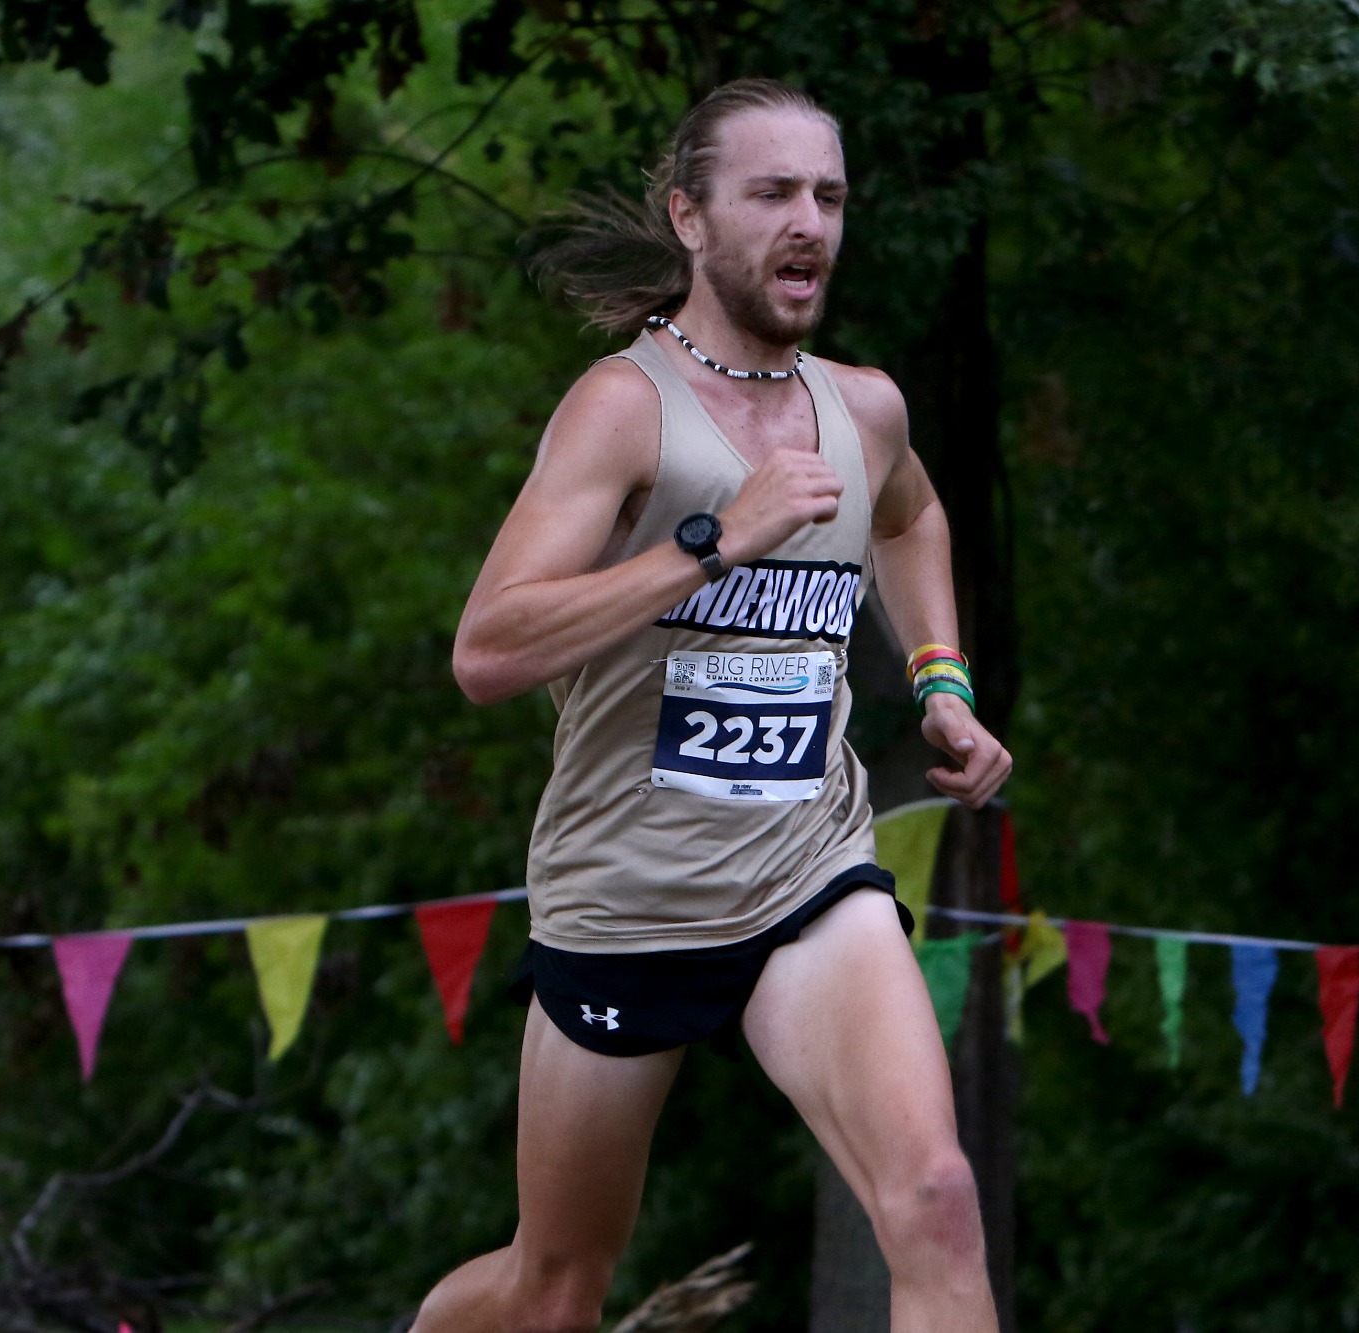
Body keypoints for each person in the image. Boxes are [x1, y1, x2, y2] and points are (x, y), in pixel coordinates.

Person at [415, 78, 1013, 1333]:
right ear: (690, 219)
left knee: (936, 1202)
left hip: (807, 875)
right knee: (554, 1289)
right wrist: (710, 542)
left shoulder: (862, 408)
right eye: (773, 193)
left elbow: (909, 517)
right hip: (625, 897)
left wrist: (938, 680)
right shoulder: (624, 408)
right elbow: (487, 648)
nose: (810, 223)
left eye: (830, 196)